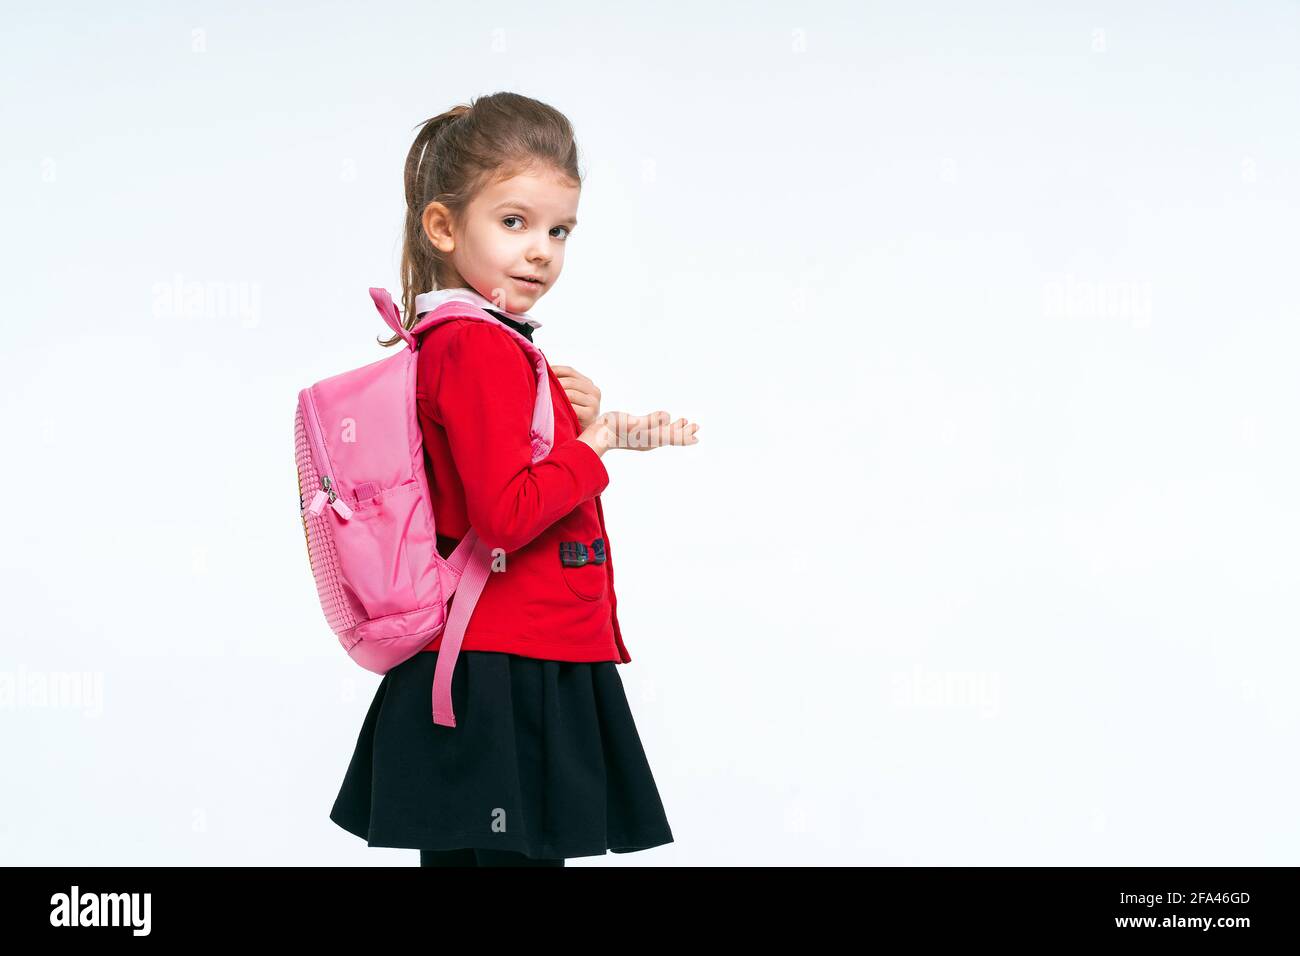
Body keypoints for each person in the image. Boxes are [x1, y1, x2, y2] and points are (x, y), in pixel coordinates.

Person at [328, 91, 700, 867]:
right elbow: (504, 514)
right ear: (442, 227)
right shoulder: (480, 346)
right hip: (506, 668)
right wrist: (590, 448)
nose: (542, 251)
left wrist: (590, 428)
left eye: (559, 230)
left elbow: (497, 479)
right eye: (515, 222)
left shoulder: (468, 341)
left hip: (499, 661)